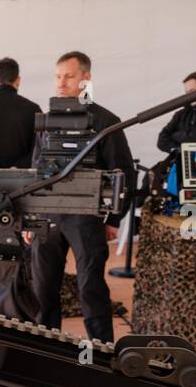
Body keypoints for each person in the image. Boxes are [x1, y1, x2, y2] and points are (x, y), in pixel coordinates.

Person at [30, 51, 134, 342]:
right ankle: (45, 346)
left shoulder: (106, 121)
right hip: (48, 214)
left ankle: (100, 350)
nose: (61, 83)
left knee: (91, 287)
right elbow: (37, 170)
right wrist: (31, 217)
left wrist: (114, 217)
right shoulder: (46, 121)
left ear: (86, 78)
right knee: (43, 288)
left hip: (86, 215)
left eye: (69, 76)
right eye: (58, 76)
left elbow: (124, 172)